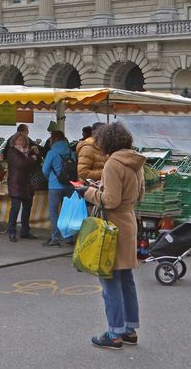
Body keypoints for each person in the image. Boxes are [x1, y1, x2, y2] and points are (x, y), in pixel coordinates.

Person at [76, 121, 145, 350]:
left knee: (110, 280)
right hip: (129, 222)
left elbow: (110, 201)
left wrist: (88, 192)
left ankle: (114, 333)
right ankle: (129, 330)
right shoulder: (135, 161)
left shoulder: (113, 163)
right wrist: (102, 188)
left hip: (113, 226)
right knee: (126, 279)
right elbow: (139, 194)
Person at [42, 130, 75, 246]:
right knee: (67, 212)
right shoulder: (70, 152)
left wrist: (50, 178)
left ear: (53, 139)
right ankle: (69, 238)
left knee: (54, 213)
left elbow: (45, 170)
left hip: (55, 187)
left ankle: (55, 238)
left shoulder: (52, 153)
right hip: (70, 186)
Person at [3, 131, 35, 241]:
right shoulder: (12, 151)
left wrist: (36, 154)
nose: (21, 142)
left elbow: (35, 162)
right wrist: (31, 158)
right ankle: (11, 231)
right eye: (19, 140)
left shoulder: (27, 152)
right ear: (15, 141)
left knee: (27, 208)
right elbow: (20, 164)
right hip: (16, 184)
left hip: (26, 184)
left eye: (23, 140)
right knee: (15, 208)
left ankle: (25, 231)